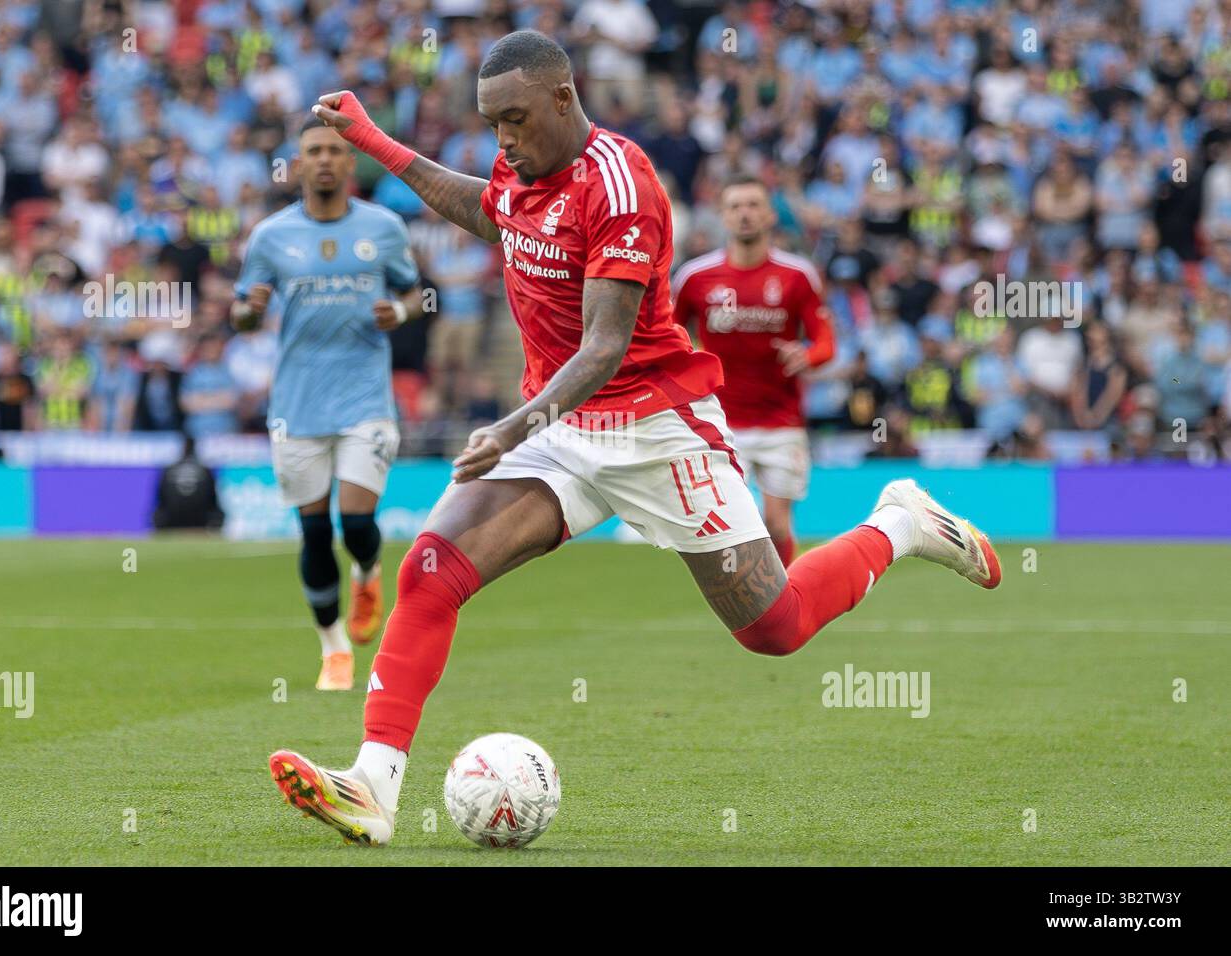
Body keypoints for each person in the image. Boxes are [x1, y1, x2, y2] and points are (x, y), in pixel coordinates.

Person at [270, 30, 1002, 847]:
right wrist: (374, 141)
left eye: (513, 119)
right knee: (431, 570)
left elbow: (605, 345)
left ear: (562, 97)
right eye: (491, 124)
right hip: (559, 429)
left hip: (655, 429)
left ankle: (899, 522)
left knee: (775, 627)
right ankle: (373, 786)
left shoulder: (623, 183)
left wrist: (513, 425)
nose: (502, 139)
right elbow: (487, 210)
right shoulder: (521, 169)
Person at [232, 118, 422, 692]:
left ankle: (367, 569)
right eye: (313, 150)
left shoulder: (383, 228)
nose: (323, 160)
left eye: (335, 151)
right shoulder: (270, 237)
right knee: (314, 533)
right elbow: (242, 313)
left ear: (350, 163)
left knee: (358, 521)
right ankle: (334, 648)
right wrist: (249, 310)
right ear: (298, 163)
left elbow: (413, 290)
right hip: (296, 403)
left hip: (365, 396)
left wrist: (404, 313)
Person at [671, 174, 835, 560]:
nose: (745, 214)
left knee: (777, 526)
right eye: (735, 206)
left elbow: (826, 342)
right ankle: (754, 607)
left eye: (753, 205)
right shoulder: (694, 278)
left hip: (782, 420)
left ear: (769, 215)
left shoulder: (797, 276)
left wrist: (806, 356)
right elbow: (668, 334)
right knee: (734, 527)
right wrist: (688, 361)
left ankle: (784, 607)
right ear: (722, 216)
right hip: (720, 421)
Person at [152, 435, 225, 531]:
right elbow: (213, 500)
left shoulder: (169, 469)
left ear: (182, 449)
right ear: (195, 449)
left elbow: (160, 498)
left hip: (171, 521)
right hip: (200, 521)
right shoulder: (205, 470)